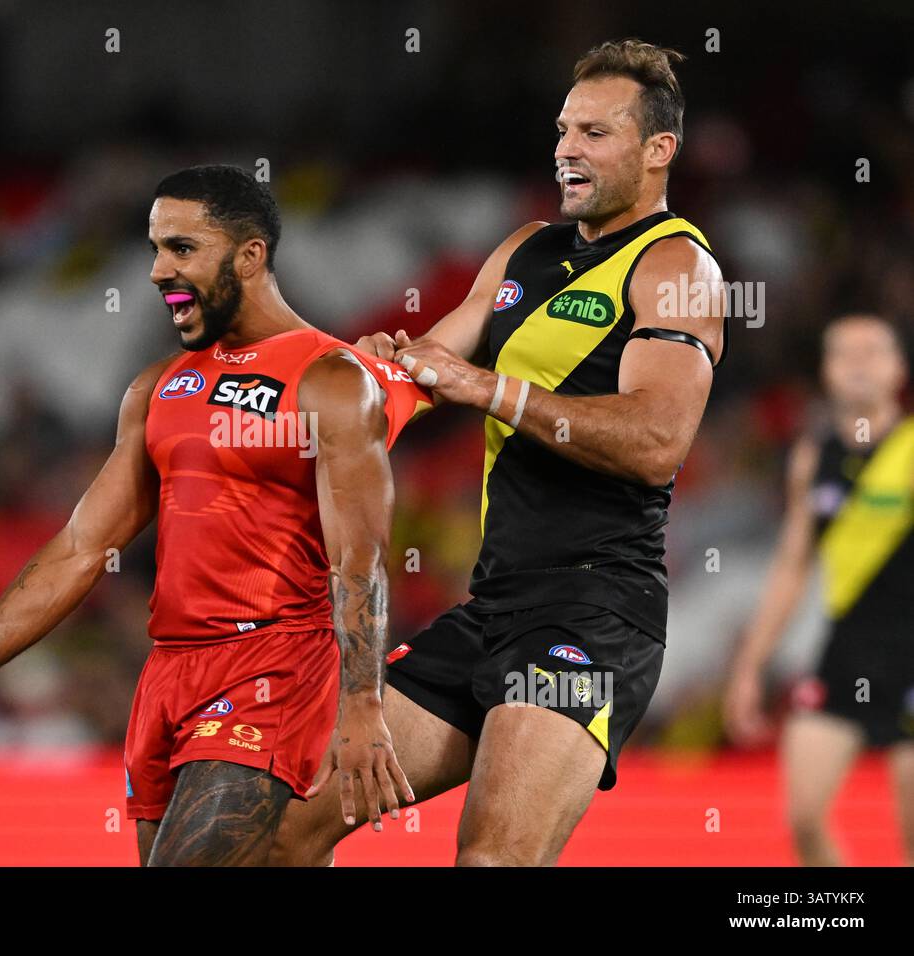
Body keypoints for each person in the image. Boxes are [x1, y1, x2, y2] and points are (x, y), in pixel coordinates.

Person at [272, 39, 726, 866]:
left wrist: (487, 389)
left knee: (490, 859)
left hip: (593, 612)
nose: (566, 149)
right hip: (491, 606)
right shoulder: (525, 250)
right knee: (289, 831)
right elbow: (415, 373)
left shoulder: (677, 267)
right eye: (562, 129)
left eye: (594, 132)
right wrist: (369, 374)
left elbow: (658, 444)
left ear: (659, 150)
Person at [0, 165, 430, 866]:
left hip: (271, 668)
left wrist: (363, 705)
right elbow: (81, 548)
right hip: (167, 679)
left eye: (181, 249)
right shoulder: (159, 388)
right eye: (154, 248)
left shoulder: (331, 381)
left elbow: (358, 560)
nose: (157, 271)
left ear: (250, 255)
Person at [726, 315, 914, 865]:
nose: (857, 361)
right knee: (804, 819)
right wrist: (749, 666)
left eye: (873, 350)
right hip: (845, 654)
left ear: (900, 368)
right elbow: (791, 567)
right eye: (842, 352)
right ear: (825, 371)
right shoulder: (815, 455)